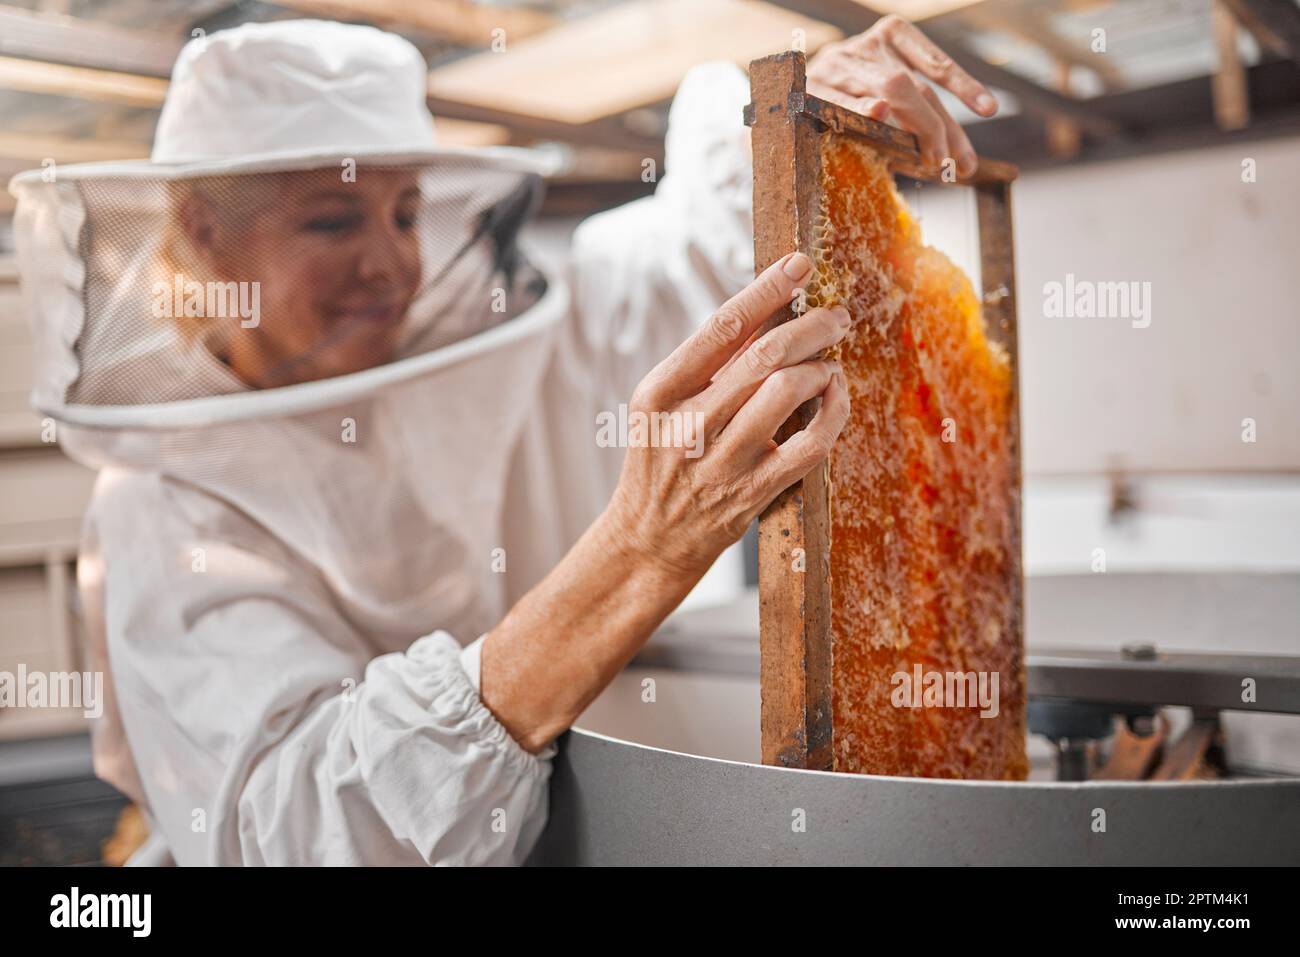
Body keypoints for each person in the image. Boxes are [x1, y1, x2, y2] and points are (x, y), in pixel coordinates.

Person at [9, 16, 996, 865]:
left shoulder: (497, 355)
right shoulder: (162, 505)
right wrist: (638, 552)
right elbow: (299, 828)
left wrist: (798, 109)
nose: (391, 261)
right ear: (206, 234)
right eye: (331, 219)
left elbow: (695, 246)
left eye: (403, 211)